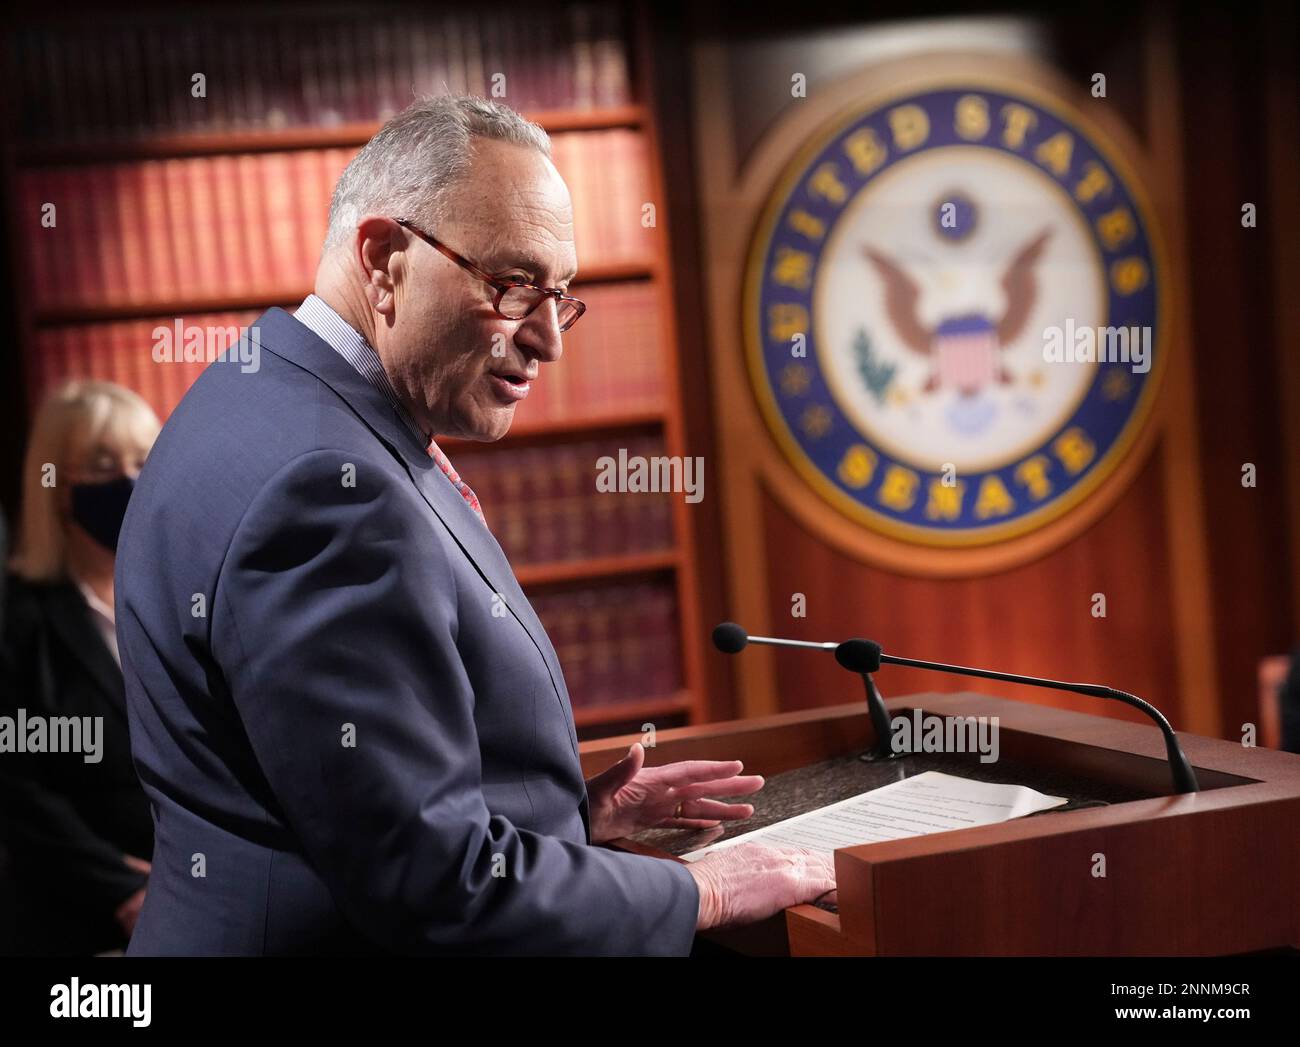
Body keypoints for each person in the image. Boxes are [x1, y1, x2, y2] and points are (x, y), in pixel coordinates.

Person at [115, 95, 836, 956]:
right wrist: (698, 889)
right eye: (512, 285)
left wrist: (567, 816)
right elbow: (434, 888)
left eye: (559, 294)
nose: (547, 340)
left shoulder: (249, 389)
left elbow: (337, 799)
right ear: (383, 259)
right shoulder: (329, 491)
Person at [1, 380, 160, 955]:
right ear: (55, 487)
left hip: (202, 897)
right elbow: (17, 787)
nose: (127, 480)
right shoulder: (19, 621)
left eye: (142, 461)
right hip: (77, 921)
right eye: (100, 466)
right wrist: (120, 886)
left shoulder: (181, 594)